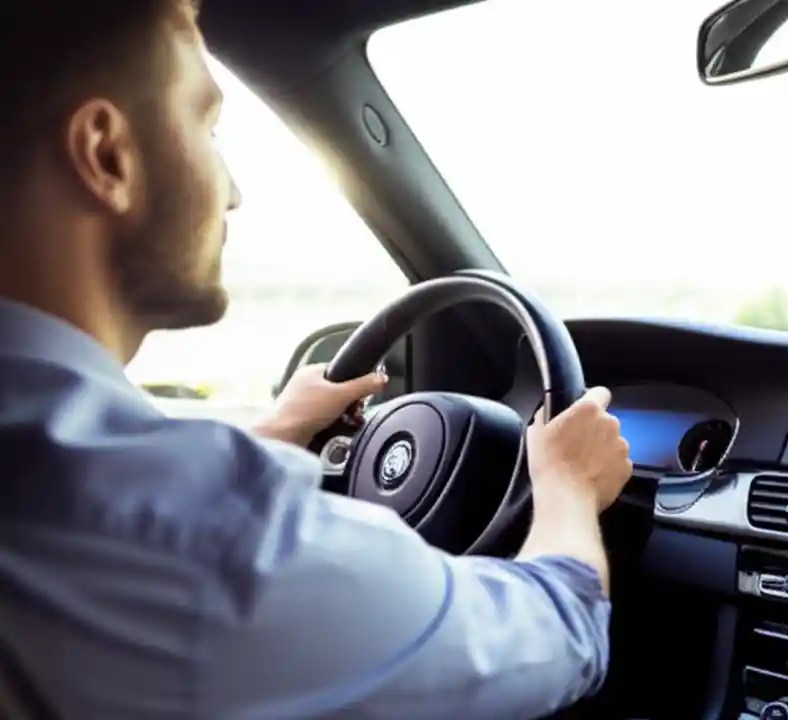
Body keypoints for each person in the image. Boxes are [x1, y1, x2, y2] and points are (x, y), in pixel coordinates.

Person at [0, 1, 633, 718]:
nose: (233, 193)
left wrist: (272, 433)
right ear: (107, 154)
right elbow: (560, 633)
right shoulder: (202, 543)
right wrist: (569, 487)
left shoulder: (77, 493)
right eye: (206, 127)